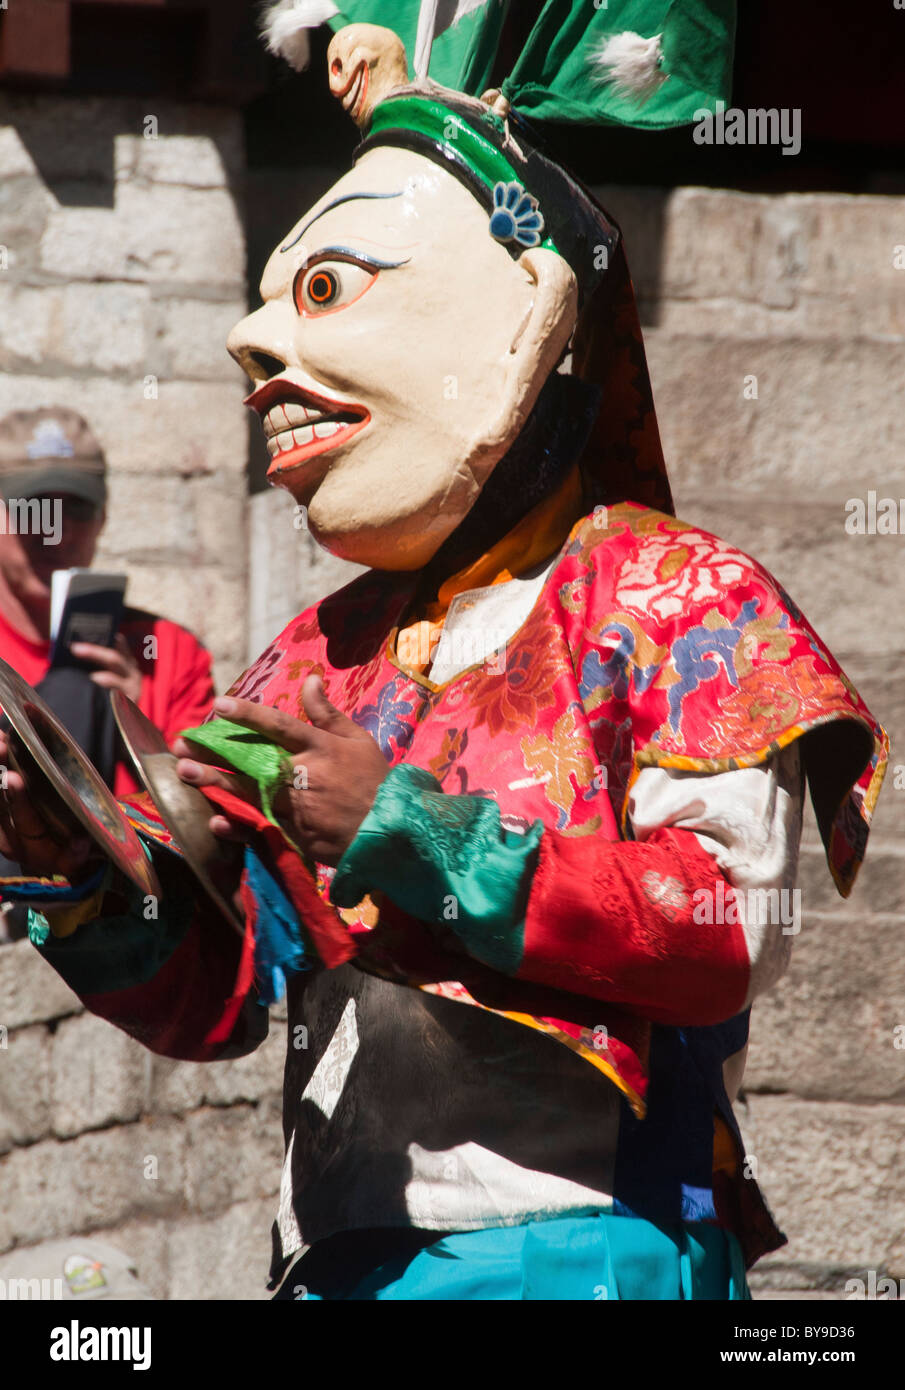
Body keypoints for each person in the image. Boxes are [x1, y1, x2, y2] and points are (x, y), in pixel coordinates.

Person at [0, 18, 887, 1300]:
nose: (254, 348)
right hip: (328, 1262)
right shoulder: (317, 647)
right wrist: (84, 878)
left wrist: (407, 826)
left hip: (587, 1246)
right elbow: (233, 990)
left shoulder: (672, 595)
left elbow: (725, 920)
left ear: (521, 312)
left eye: (320, 291)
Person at [0, 406, 215, 940]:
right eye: (32, 509)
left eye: (75, 509)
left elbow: (208, 827)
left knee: (77, 685)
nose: (54, 532)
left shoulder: (169, 651)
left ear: (103, 518)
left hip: (136, 918)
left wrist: (137, 726)